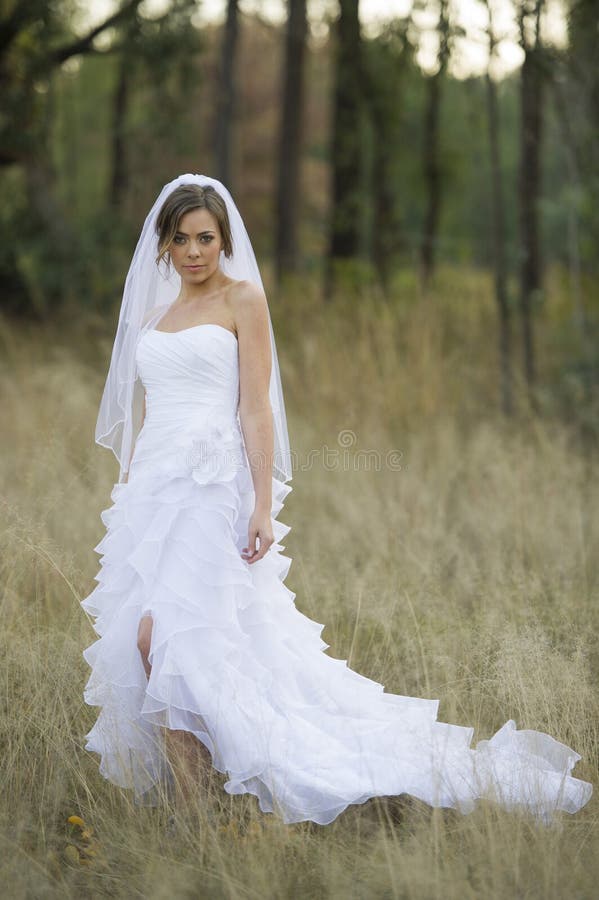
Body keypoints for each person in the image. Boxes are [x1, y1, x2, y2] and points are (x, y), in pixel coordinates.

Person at [81, 173, 592, 827]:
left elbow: (255, 411)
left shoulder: (242, 301)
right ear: (164, 245)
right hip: (156, 492)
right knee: (154, 646)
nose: (194, 251)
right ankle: (198, 808)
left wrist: (261, 505)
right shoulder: (154, 318)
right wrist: (130, 492)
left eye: (205, 238)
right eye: (180, 239)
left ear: (223, 240)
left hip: (215, 491)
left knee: (168, 638)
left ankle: (208, 803)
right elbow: (149, 411)